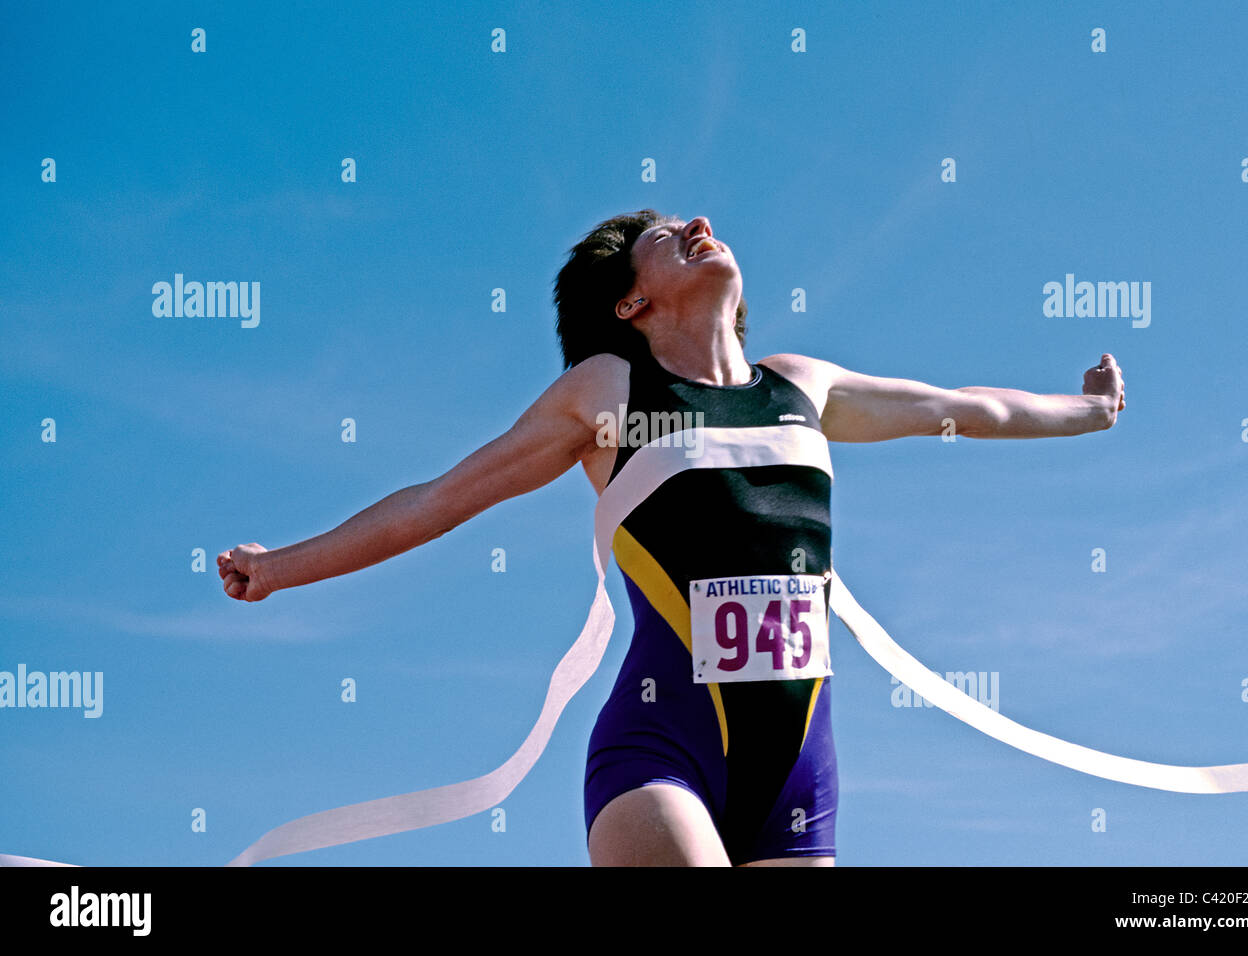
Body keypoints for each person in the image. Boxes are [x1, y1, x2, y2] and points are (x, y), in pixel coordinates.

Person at [219, 209, 1126, 866]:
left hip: (800, 769)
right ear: (629, 304)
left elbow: (964, 408)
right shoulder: (608, 394)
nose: (698, 224)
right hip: (660, 753)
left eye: (696, 221)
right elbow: (438, 500)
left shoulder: (800, 384)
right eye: (663, 238)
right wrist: (278, 568)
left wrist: (1088, 410)